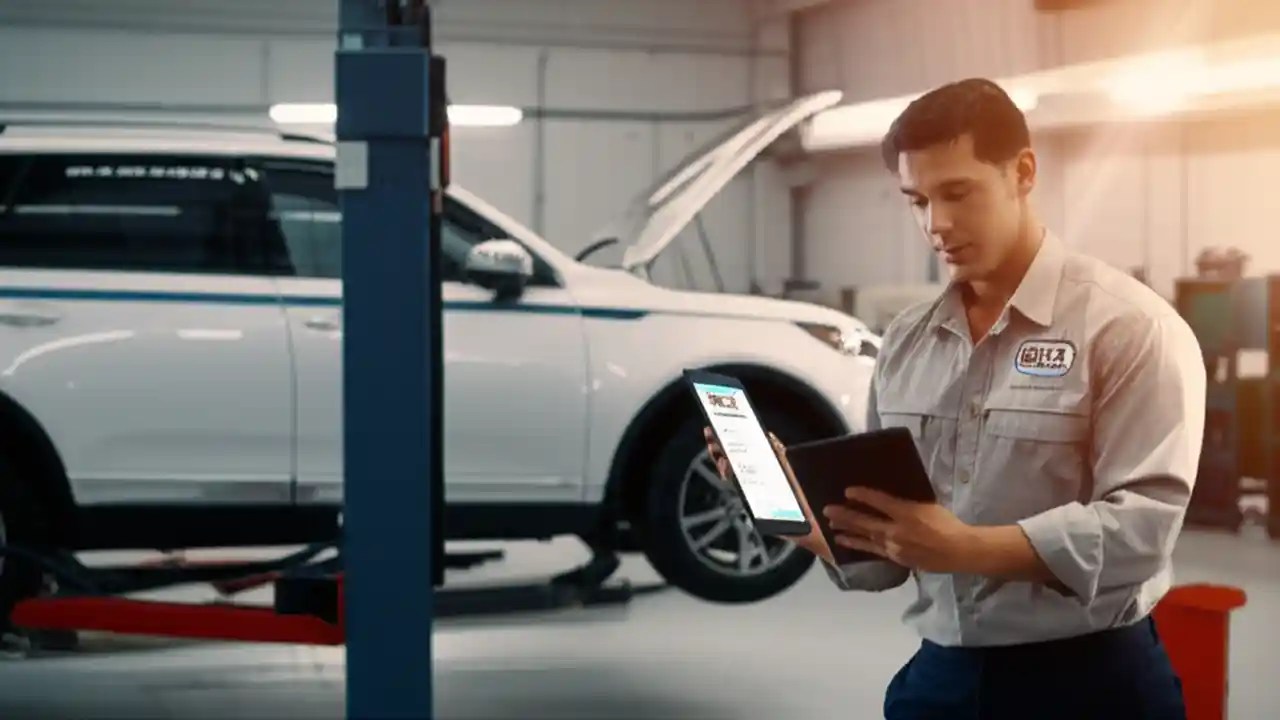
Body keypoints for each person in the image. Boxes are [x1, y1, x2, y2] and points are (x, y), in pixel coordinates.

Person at [705, 78, 1205, 719]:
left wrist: (963, 549)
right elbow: (886, 559)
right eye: (916, 201)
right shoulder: (908, 344)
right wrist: (789, 507)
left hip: (1088, 684)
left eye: (957, 193)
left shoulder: (1129, 328)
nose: (935, 223)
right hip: (941, 681)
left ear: (1023, 172)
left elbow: (1144, 530)